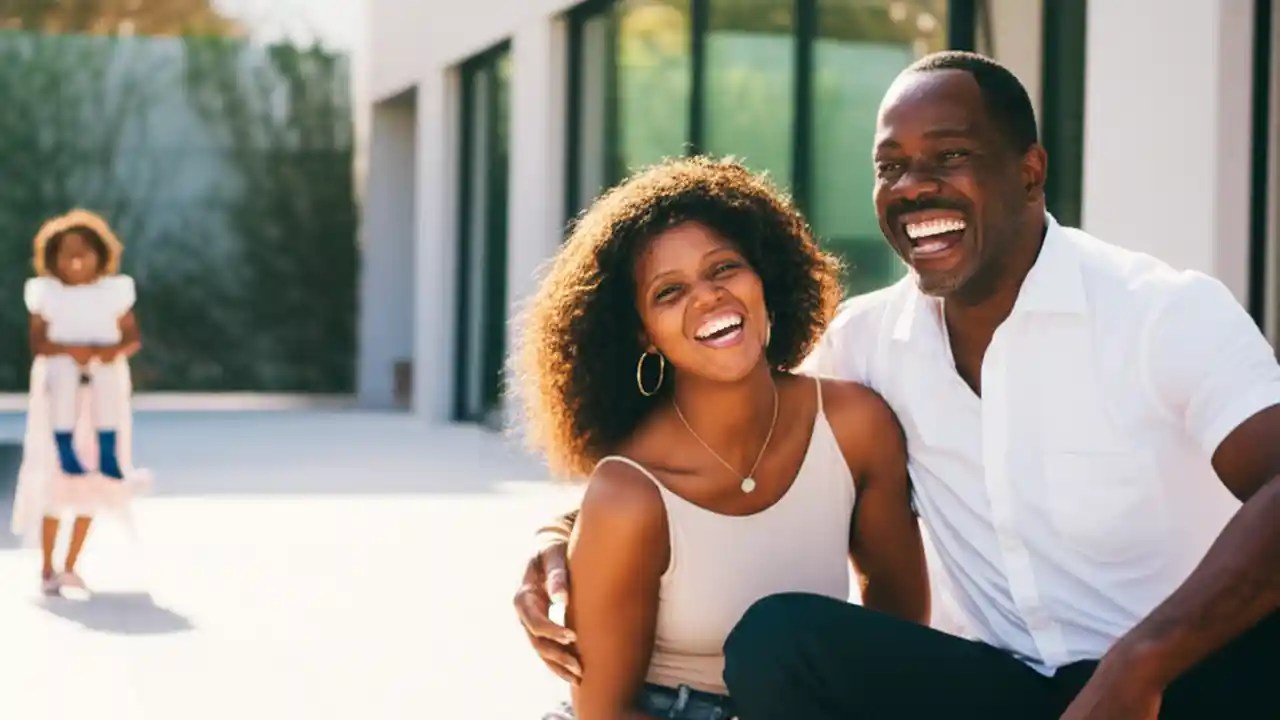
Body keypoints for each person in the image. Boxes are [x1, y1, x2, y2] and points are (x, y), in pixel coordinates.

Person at [515, 52, 1280, 719]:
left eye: (949, 157)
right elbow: (722, 439)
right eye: (890, 167)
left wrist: (1141, 661)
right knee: (780, 643)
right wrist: (566, 539)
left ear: (1029, 171)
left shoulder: (1159, 312)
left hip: (1176, 684)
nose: (914, 187)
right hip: (1004, 693)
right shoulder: (869, 341)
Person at [513, 157, 929, 719]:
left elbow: (898, 642)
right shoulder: (630, 496)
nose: (707, 297)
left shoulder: (856, 426)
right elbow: (602, 715)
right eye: (669, 292)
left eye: (724, 268)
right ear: (644, 335)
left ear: (763, 277)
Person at [10, 209, 150, 598]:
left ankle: (72, 565)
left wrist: (105, 353)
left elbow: (131, 336)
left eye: (83, 252)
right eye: (66, 253)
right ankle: (47, 566)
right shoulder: (45, 294)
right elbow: (38, 342)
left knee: (93, 484)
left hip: (102, 390)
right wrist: (71, 350)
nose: (75, 261)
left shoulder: (114, 292)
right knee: (55, 483)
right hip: (59, 395)